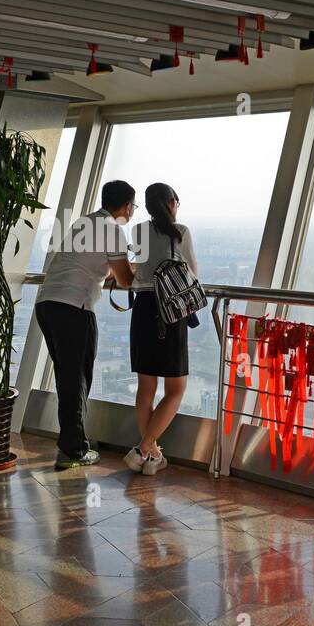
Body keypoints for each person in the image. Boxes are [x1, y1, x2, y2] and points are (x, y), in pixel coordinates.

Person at [35, 180, 137, 470]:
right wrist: (141, 267)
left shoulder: (84, 223)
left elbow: (91, 266)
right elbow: (126, 279)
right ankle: (73, 450)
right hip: (73, 308)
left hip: (49, 304)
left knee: (67, 377)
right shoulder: (113, 231)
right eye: (133, 207)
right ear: (127, 207)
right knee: (77, 378)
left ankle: (71, 444)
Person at [123, 183, 198, 476]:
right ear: (172, 203)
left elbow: (137, 271)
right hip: (170, 312)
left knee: (146, 388)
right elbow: (192, 273)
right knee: (176, 388)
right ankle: (143, 450)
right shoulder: (181, 232)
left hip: (142, 309)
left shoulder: (139, 231)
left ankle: (152, 458)